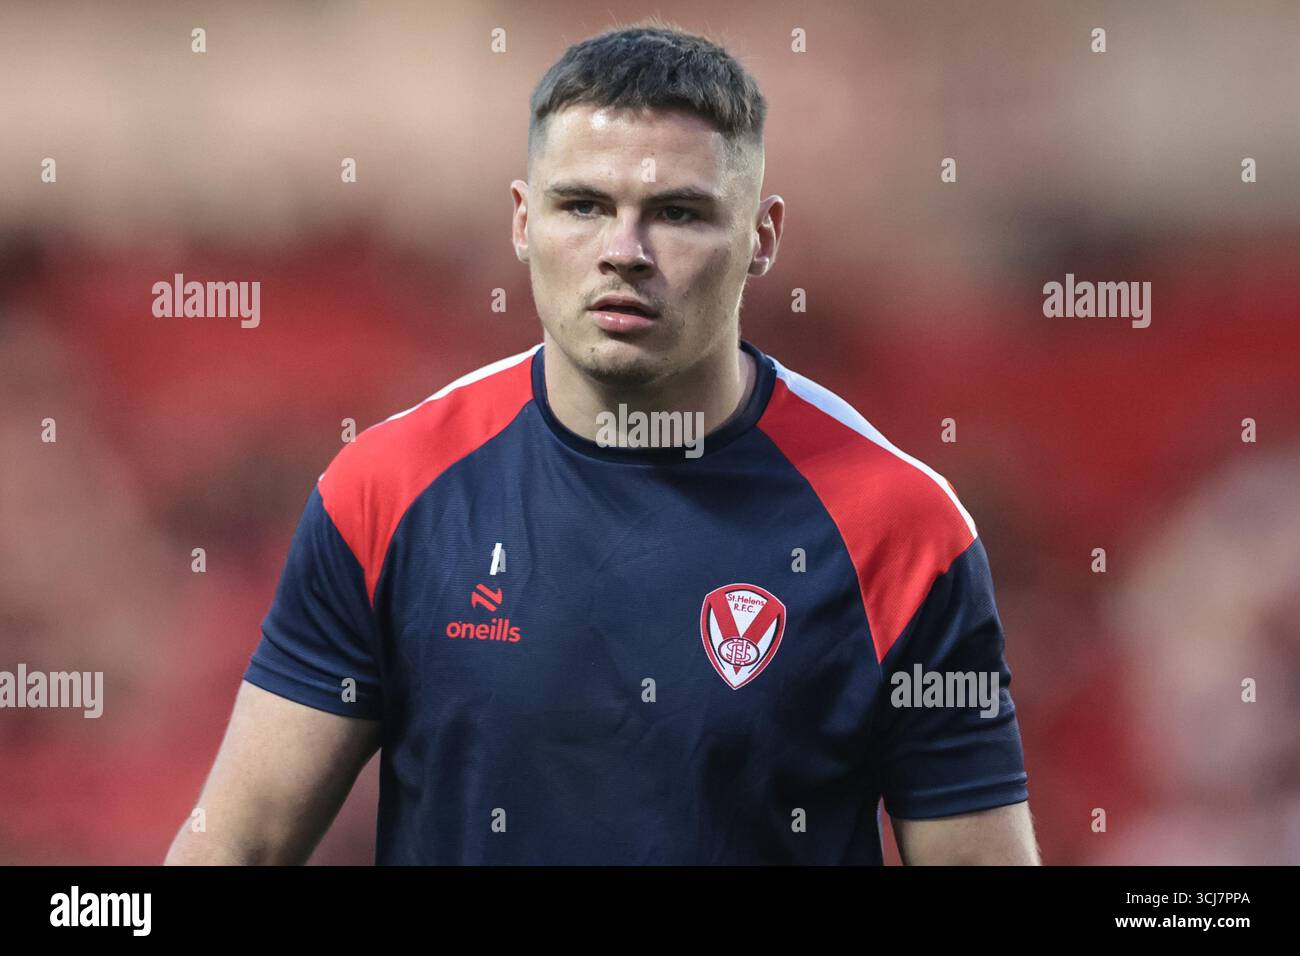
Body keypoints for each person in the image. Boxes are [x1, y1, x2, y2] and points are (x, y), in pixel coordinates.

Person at [166, 19, 1038, 865]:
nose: (624, 251)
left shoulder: (901, 529)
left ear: (762, 238)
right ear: (521, 221)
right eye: (583, 204)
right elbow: (240, 842)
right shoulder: (385, 491)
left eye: (679, 213)